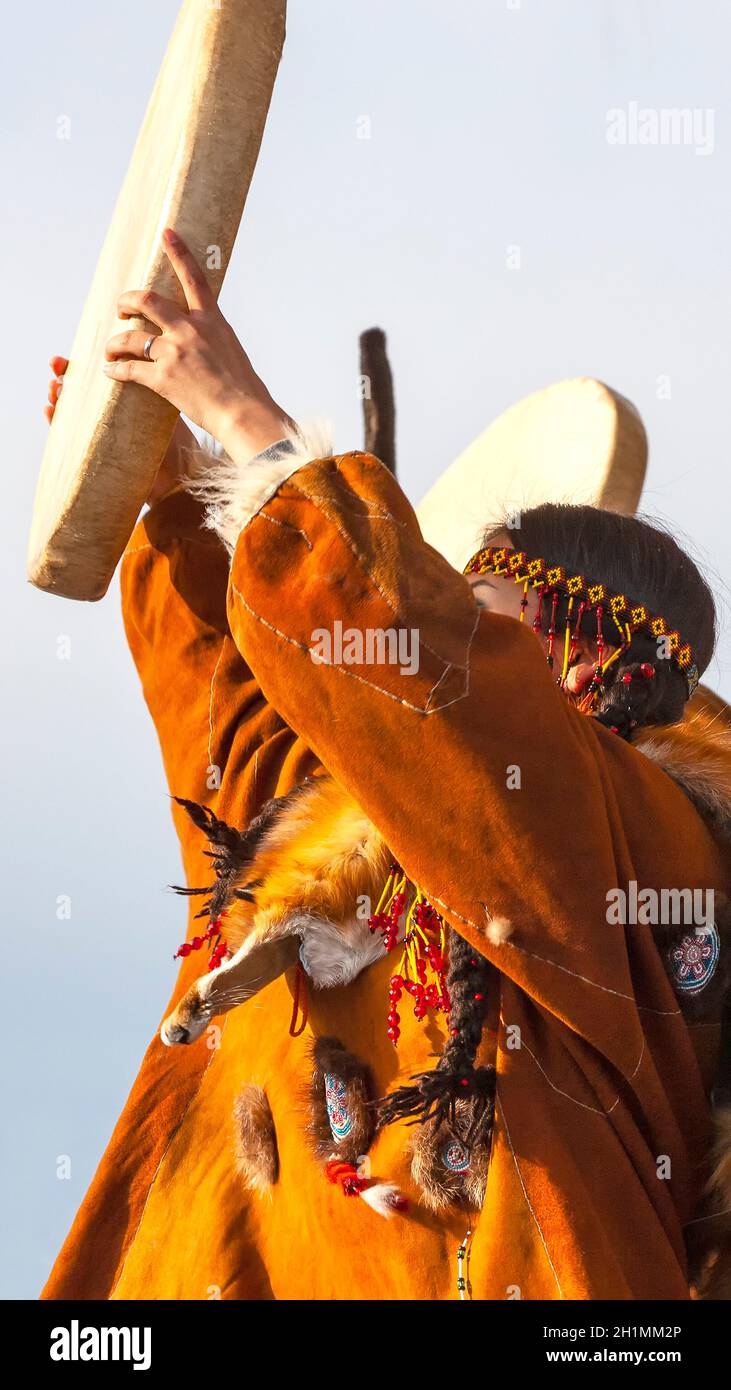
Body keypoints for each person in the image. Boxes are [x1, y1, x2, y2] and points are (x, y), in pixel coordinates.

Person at [42, 229, 731, 1300]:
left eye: (483, 614)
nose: (451, 633)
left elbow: (442, 690)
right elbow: (242, 739)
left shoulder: (630, 827)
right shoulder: (362, 835)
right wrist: (164, 484)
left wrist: (250, 426)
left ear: (572, 651)